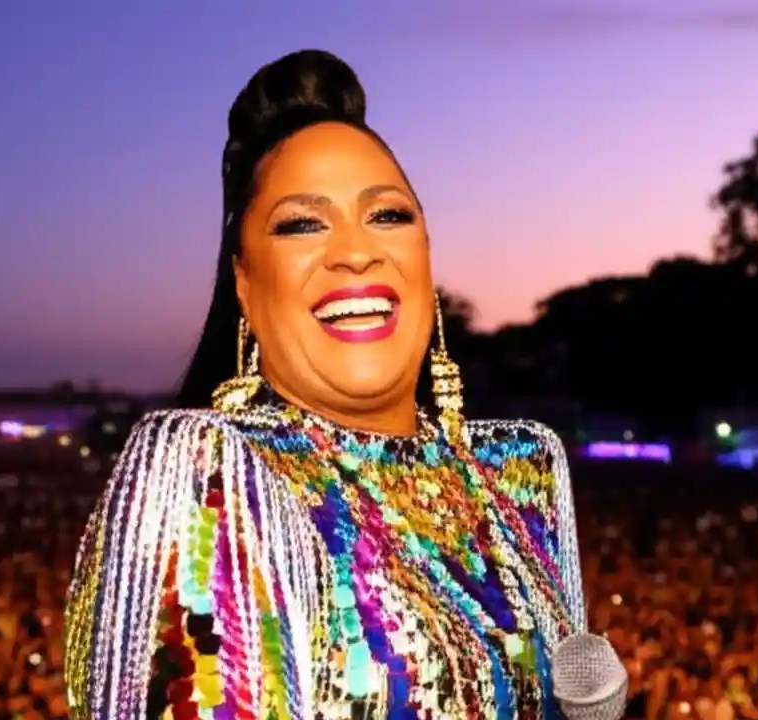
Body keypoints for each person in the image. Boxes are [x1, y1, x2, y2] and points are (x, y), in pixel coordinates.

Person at [63, 49, 628, 720]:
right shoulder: (218, 474)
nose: (357, 252)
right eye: (302, 224)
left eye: (388, 216)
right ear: (244, 282)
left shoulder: (516, 472)